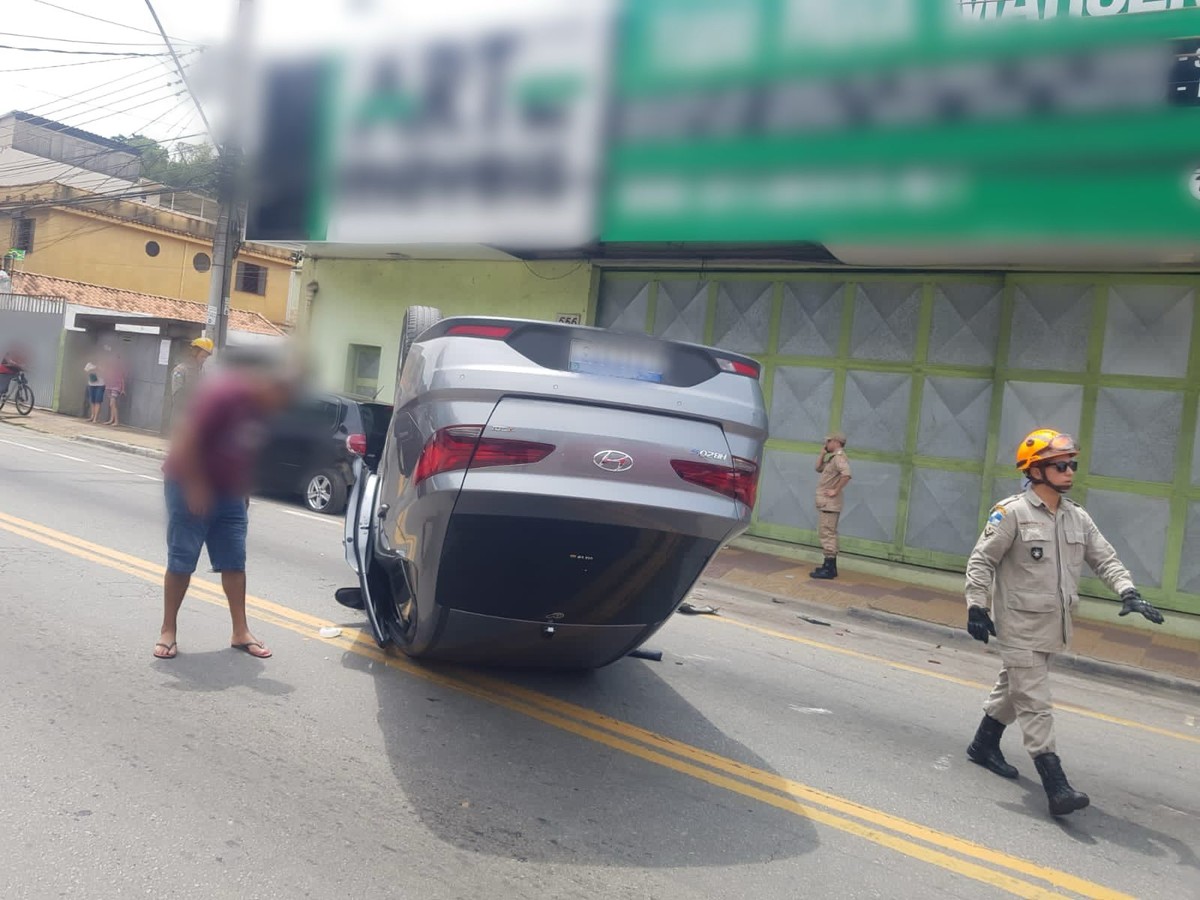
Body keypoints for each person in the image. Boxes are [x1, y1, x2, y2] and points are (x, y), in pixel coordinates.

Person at [963, 428, 1165, 817]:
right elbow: (982, 560)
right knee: (1035, 701)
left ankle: (983, 745)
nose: (1070, 471)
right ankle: (1056, 785)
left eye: (1072, 464)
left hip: (1054, 626)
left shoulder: (1077, 516)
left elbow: (1104, 558)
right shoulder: (1011, 513)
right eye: (1060, 465)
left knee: (1014, 687)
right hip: (1018, 625)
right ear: (1035, 470)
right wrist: (976, 606)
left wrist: (1128, 592)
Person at [153, 349, 300, 661]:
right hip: (188, 481)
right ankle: (168, 630)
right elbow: (187, 436)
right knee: (182, 559)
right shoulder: (224, 395)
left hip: (228, 491)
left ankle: (240, 631)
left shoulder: (262, 410)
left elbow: (246, 449)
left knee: (234, 560)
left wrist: (243, 489)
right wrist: (196, 485)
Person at [810, 431, 851, 580]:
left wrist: (835, 490)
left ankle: (829, 569)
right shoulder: (832, 458)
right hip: (827, 504)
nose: (825, 444)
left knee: (827, 534)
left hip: (830, 503)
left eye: (828, 441)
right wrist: (822, 453)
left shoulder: (838, 458)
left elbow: (847, 474)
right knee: (826, 532)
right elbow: (818, 468)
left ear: (836, 442)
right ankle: (829, 567)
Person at [170, 337, 213, 422]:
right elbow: (177, 397)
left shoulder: (203, 371)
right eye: (202, 356)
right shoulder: (180, 370)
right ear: (194, 353)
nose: (204, 360)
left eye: (206, 357)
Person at [102, 349, 127, 427]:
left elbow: (122, 379)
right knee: (111, 404)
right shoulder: (109, 366)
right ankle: (111, 419)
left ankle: (116, 421)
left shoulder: (120, 367)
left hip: (116, 387)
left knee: (112, 403)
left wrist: (123, 389)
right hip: (109, 385)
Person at [84, 359, 105, 423]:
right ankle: (92, 416)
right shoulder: (89, 364)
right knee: (92, 401)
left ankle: (95, 418)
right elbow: (85, 371)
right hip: (91, 384)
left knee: (97, 401)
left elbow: (105, 372)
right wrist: (91, 369)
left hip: (100, 385)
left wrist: (98, 368)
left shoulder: (102, 363)